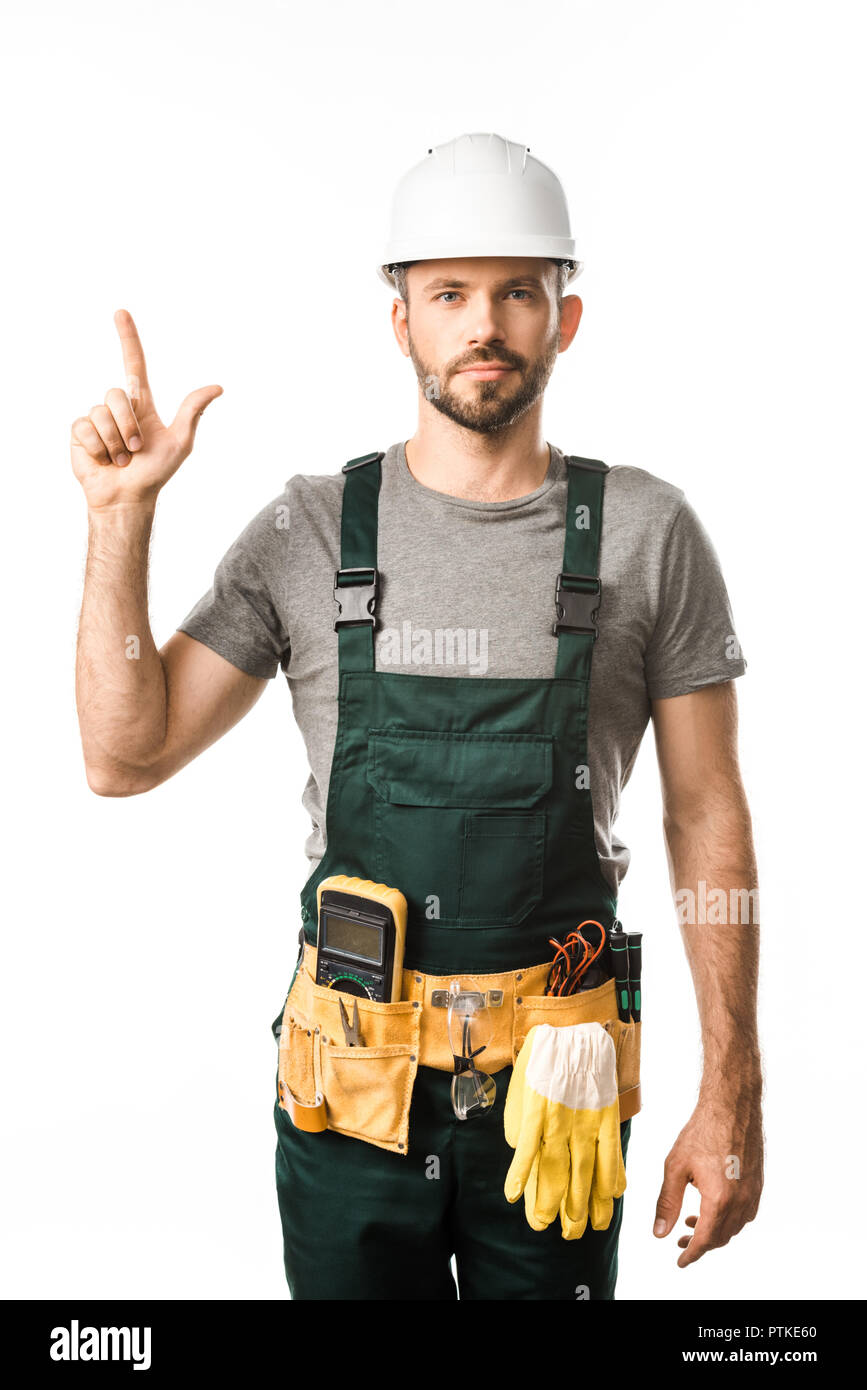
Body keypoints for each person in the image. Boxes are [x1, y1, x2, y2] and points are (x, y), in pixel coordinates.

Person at [72, 132, 763, 1301]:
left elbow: (709, 814)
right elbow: (121, 755)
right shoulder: (307, 530)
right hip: (351, 1086)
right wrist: (118, 518)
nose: (482, 325)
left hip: (562, 1080)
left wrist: (731, 1091)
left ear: (565, 317)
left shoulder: (647, 532)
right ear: (401, 321)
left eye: (517, 292)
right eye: (448, 293)